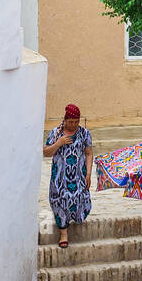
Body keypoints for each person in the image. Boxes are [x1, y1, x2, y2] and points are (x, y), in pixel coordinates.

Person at [43, 103, 93, 248]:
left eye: (76, 121)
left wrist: (88, 173)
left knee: (79, 199)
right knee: (59, 201)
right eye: (71, 122)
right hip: (60, 178)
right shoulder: (56, 133)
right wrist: (59, 143)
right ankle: (63, 233)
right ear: (65, 120)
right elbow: (46, 152)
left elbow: (89, 153)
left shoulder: (84, 133)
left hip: (77, 176)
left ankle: (74, 218)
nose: (74, 124)